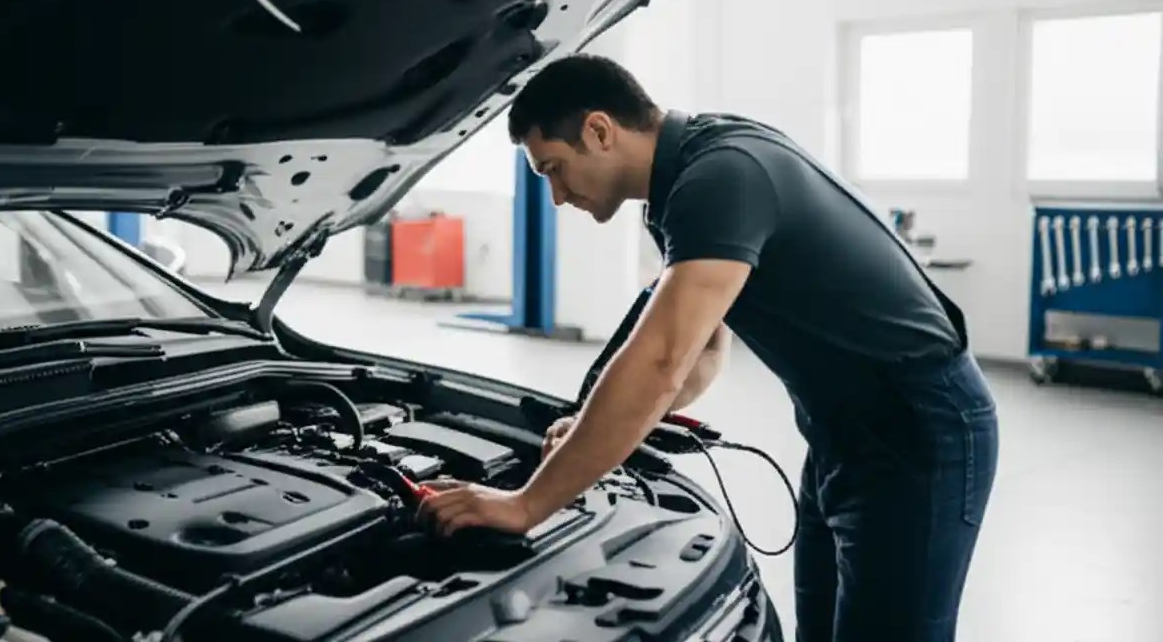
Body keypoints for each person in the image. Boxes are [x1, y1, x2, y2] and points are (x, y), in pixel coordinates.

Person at [417, 54, 999, 641]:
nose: (558, 196)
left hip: (918, 429)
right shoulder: (685, 181)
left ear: (599, 131)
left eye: (554, 169)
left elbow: (662, 361)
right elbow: (705, 353)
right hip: (843, 432)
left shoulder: (721, 177)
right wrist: (603, 428)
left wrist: (525, 505)